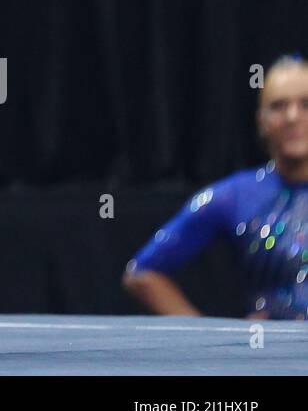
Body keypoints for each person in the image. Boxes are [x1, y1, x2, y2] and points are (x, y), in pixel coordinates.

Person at [123, 55, 308, 319]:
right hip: (270, 344)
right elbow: (142, 273)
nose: (292, 116)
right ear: (261, 121)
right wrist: (208, 335)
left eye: (305, 104)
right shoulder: (237, 195)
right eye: (279, 106)